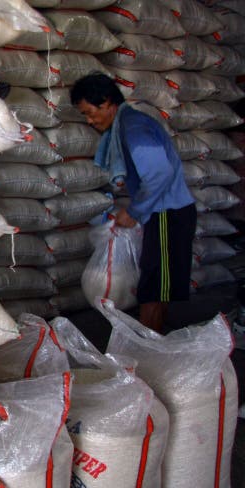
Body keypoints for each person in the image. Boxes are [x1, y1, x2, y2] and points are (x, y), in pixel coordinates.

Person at [70, 73, 197, 333]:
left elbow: (159, 172)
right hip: (167, 214)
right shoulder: (129, 123)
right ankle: (154, 339)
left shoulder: (134, 127)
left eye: (89, 112)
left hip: (167, 215)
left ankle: (149, 346)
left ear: (106, 102)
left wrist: (135, 210)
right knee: (157, 284)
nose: (89, 121)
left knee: (152, 287)